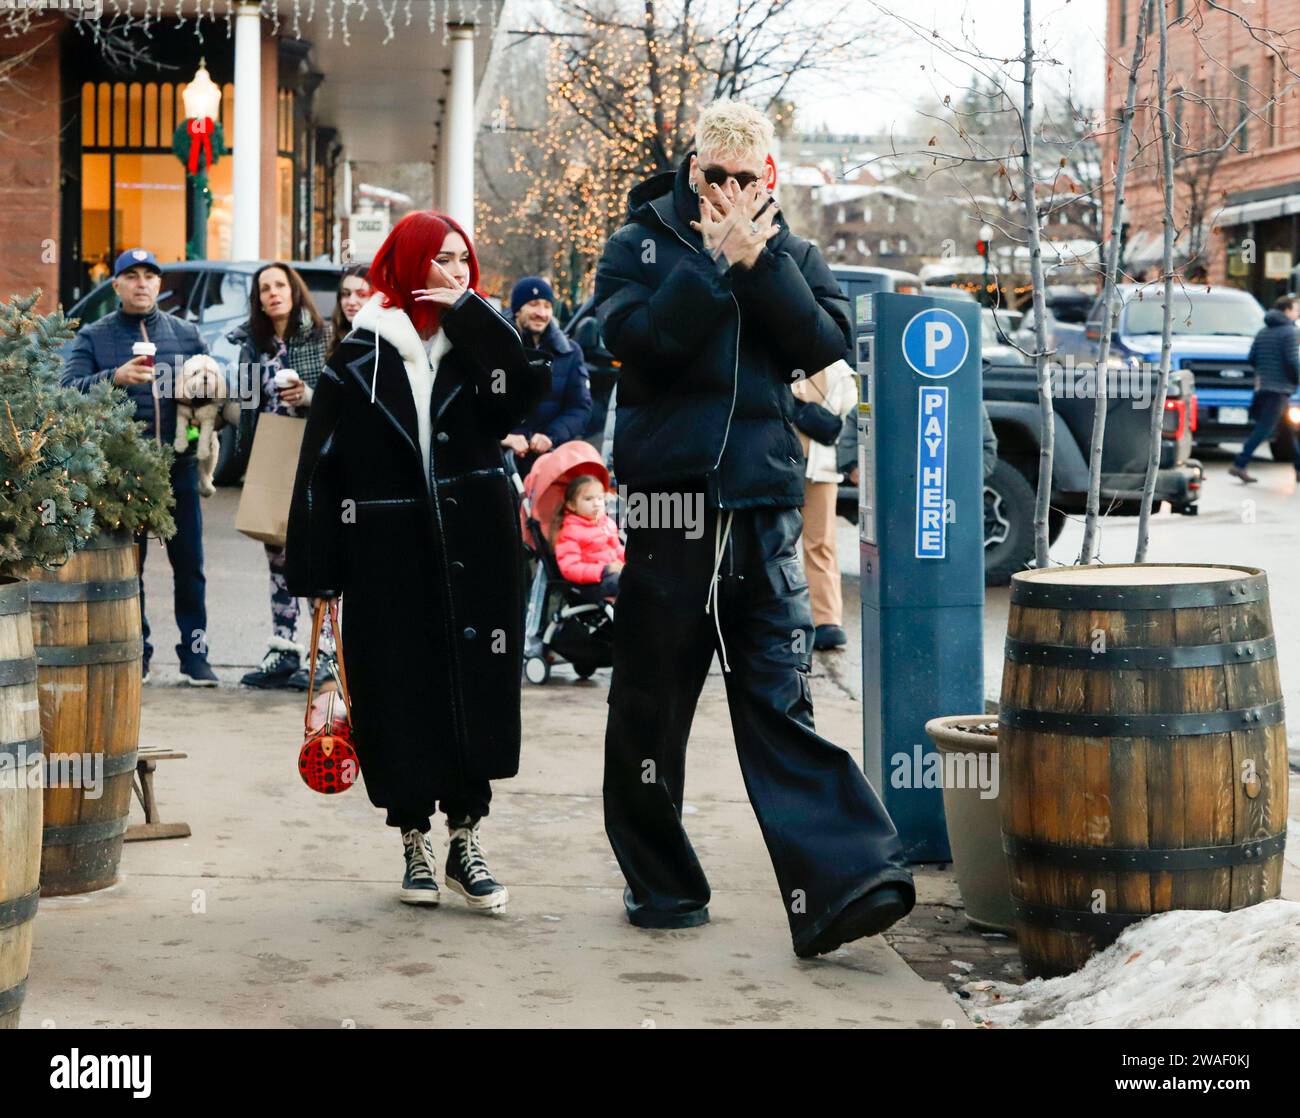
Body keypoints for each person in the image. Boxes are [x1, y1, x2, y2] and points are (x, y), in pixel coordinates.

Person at [593, 99, 915, 958]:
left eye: (747, 179)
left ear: (767, 180)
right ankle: (661, 886)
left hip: (762, 507)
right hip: (671, 510)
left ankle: (845, 883)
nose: (730, 194)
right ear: (690, 170)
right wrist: (710, 271)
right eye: (715, 177)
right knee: (651, 705)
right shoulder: (640, 246)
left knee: (779, 693)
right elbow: (635, 343)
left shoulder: (795, 256)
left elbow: (823, 347)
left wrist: (760, 263)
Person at [286, 211, 548, 910]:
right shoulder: (359, 357)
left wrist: (470, 312)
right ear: (405, 265)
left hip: (478, 550)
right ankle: (413, 842)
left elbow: (524, 391)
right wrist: (318, 571)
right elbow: (321, 468)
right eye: (440, 261)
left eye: (464, 260)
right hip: (386, 551)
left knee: (472, 686)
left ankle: (467, 837)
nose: (455, 272)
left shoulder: (477, 348)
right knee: (398, 692)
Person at [61, 248, 219, 687]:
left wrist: (209, 397)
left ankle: (196, 655)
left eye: (150, 275)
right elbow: (68, 390)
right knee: (130, 567)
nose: (142, 283)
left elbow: (213, 389)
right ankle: (138, 653)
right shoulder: (95, 336)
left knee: (190, 565)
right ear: (116, 285)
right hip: (122, 474)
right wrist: (114, 377)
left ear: (160, 285)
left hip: (179, 467)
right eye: (132, 276)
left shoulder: (186, 334)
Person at [228, 263, 332, 690]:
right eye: (264, 288)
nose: (273, 293)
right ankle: (284, 651)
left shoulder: (322, 337)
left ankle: (325, 654)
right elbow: (247, 407)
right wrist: (243, 460)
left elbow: (339, 401)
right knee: (277, 557)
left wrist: (309, 396)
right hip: (271, 459)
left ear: (294, 290)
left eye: (280, 285)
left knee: (317, 557)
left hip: (314, 460)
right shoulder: (252, 345)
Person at [790, 359, 857, 651]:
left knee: (820, 543)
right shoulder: (778, 358)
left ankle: (827, 620)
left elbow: (852, 420)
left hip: (821, 468)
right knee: (774, 544)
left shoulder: (840, 372)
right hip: (781, 465)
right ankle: (781, 618)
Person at [500, 276, 592, 473]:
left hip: (549, 464)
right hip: (501, 463)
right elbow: (477, 406)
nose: (541, 313)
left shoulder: (570, 352)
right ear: (518, 309)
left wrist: (551, 436)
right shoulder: (496, 347)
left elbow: (580, 407)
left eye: (547, 306)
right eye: (533, 305)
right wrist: (504, 436)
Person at [1229, 294, 1300, 484]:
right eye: (1296, 309)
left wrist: (1265, 372)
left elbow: (1252, 358)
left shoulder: (1263, 332)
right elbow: (1293, 361)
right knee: (1264, 429)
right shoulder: (1290, 332)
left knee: (1287, 428)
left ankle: (1299, 467)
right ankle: (1240, 463)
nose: (1297, 313)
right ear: (1287, 311)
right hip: (1279, 389)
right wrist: (1296, 379)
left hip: (1264, 388)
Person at [553, 474, 624, 599]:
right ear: (571, 505)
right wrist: (605, 569)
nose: (596, 504)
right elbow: (570, 568)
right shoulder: (570, 531)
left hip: (612, 572)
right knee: (628, 581)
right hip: (590, 583)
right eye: (588, 499)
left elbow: (617, 548)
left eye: (600, 498)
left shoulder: (606, 522)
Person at [327, 264, 372, 362]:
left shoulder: (383, 341)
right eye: (345, 294)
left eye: (361, 295)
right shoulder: (332, 337)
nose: (351, 302)